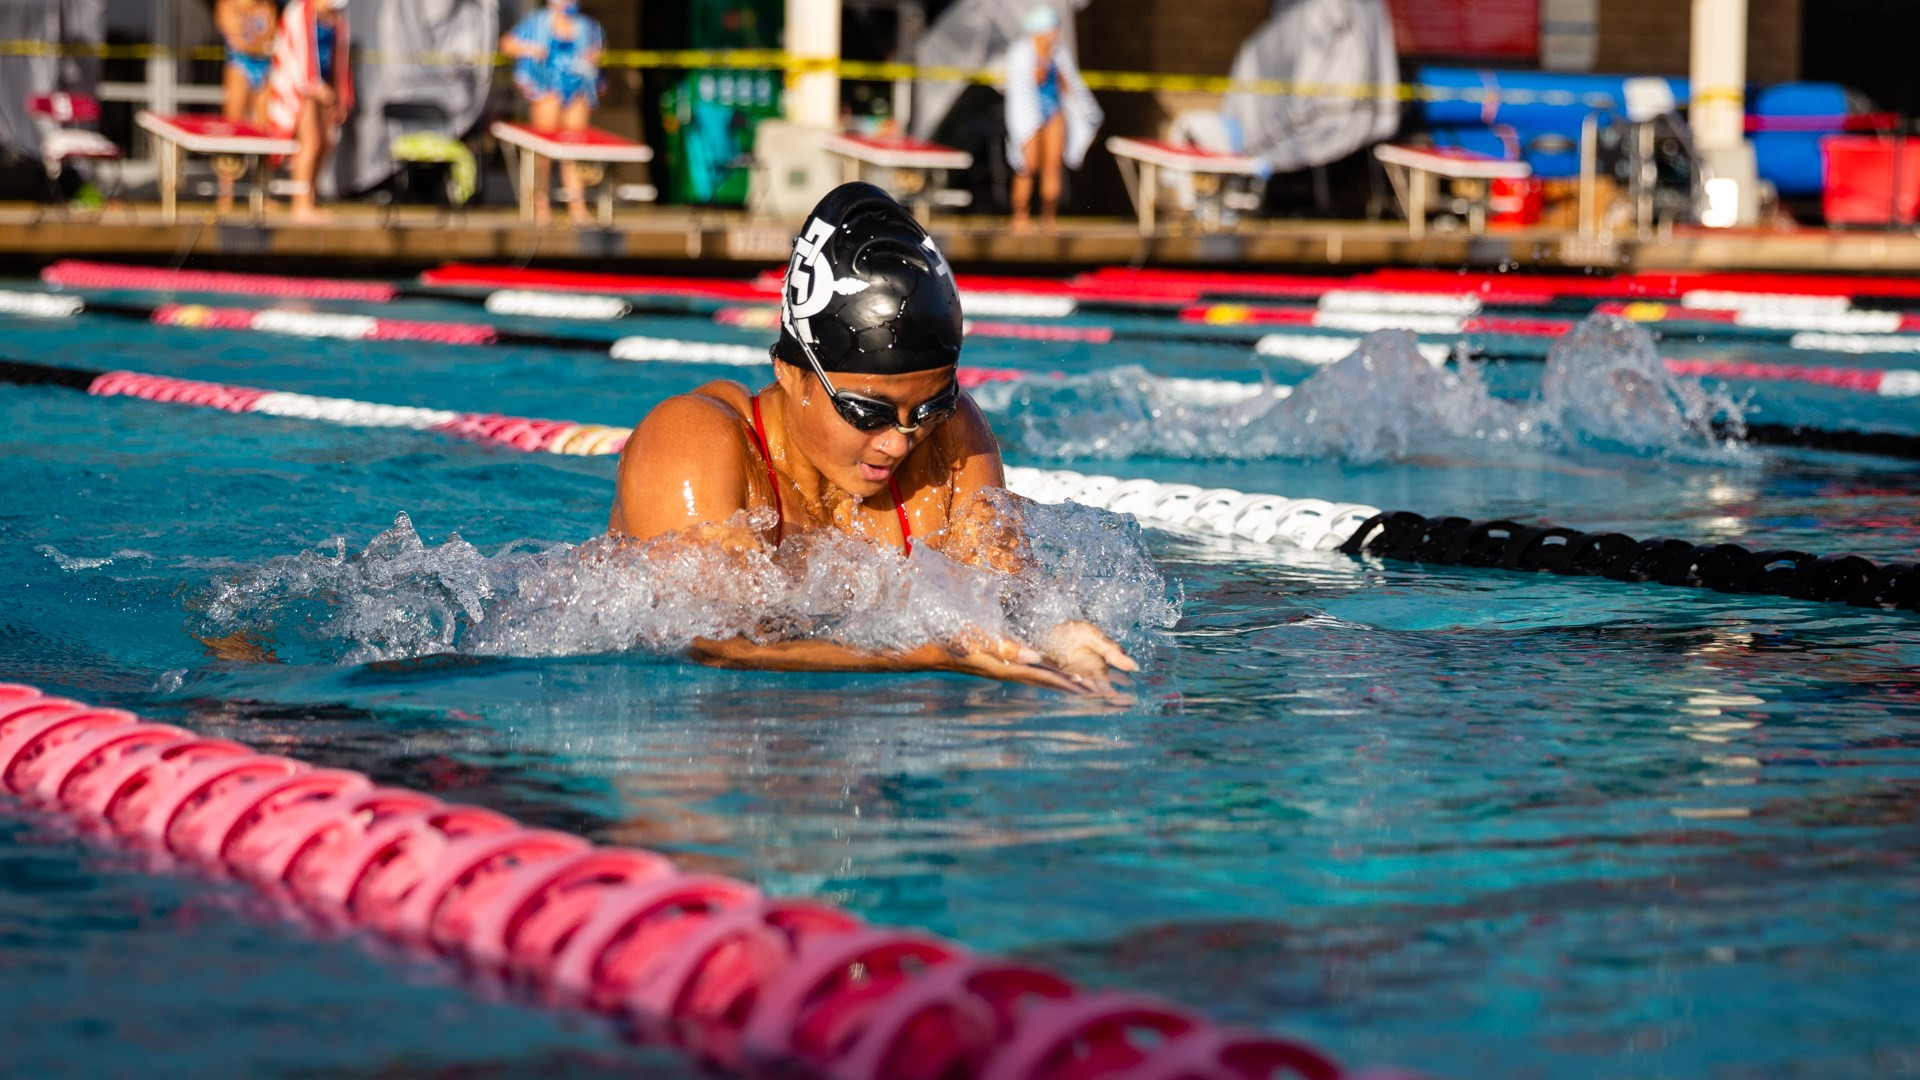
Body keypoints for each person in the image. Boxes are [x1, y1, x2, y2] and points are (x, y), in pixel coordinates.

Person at [608, 182, 1137, 695]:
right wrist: (922, 655)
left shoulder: (950, 436)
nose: (899, 443)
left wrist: (1053, 634)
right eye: (867, 412)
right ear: (790, 371)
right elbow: (714, 642)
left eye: (928, 407)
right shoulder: (692, 441)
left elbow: (1005, 591)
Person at [501, 0, 606, 227]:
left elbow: (601, 48)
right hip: (547, 87)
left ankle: (577, 206)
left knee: (575, 151)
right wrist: (531, 50)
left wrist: (594, 56)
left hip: (577, 88)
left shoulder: (587, 25)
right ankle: (541, 206)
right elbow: (507, 44)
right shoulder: (537, 21)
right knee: (543, 152)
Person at [1001, 5, 1102, 233]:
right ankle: (1020, 216)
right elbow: (1026, 85)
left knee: (1052, 168)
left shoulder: (1059, 54)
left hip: (1053, 111)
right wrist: (1042, 60)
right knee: (1027, 165)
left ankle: (1049, 218)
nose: (1055, 34)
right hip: (1029, 114)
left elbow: (1068, 85)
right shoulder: (1022, 52)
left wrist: (1083, 113)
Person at [266, 0, 353, 223]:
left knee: (326, 142)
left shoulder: (337, 20)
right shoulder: (298, 12)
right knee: (310, 143)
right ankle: (301, 203)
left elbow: (339, 60)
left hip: (322, 87)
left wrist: (339, 95)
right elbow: (297, 54)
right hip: (298, 88)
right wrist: (313, 85)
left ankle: (311, 197)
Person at [214, 0, 276, 213]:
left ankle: (262, 193)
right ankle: (226, 194)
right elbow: (237, 42)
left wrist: (262, 45)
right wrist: (262, 46)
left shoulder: (267, 6)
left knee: (264, 133)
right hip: (240, 65)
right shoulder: (228, 5)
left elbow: (272, 37)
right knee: (231, 130)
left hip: (264, 68)